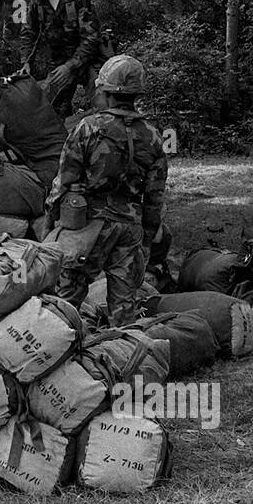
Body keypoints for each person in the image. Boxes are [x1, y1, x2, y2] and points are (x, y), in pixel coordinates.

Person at [44, 55, 168, 324]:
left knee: (66, 302)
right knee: (124, 307)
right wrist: (147, 236)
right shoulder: (153, 135)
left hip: (88, 226)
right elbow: (155, 196)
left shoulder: (88, 127)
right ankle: (122, 354)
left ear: (105, 91)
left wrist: (50, 218)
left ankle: (65, 355)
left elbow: (64, 180)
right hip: (130, 227)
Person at [13, 0, 114, 116]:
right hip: (59, 64)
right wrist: (25, 63)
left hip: (89, 61)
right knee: (49, 112)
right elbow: (28, 34)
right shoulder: (36, 3)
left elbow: (91, 39)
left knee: (106, 106)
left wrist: (70, 66)